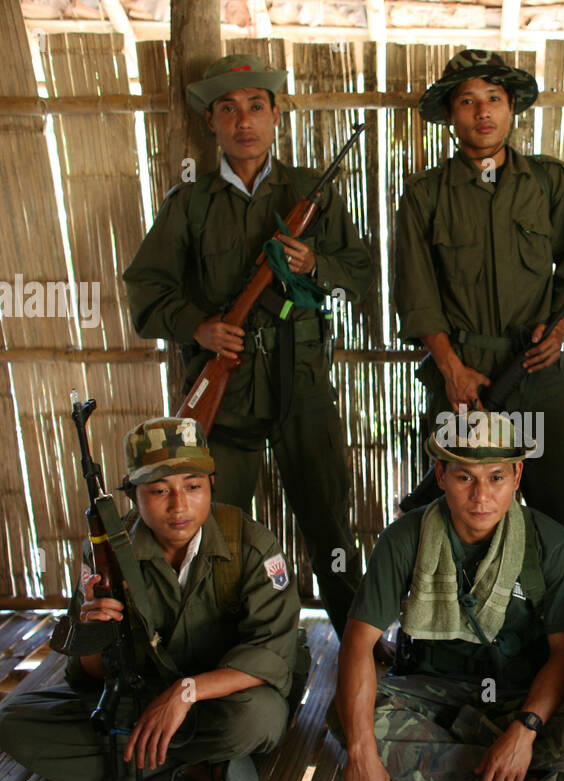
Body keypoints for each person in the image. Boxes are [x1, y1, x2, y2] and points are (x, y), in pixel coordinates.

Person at [123, 54, 371, 639]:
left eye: (256, 106)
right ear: (211, 122)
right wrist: (199, 328)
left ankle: (362, 645)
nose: (244, 121)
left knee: (330, 524)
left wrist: (318, 264)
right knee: (212, 526)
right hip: (226, 391)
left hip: (302, 384)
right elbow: (146, 294)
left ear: (275, 113)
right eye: (228, 110)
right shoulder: (190, 205)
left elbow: (359, 275)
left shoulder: (311, 192)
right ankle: (210, 648)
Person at [0, 417, 303, 781]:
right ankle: (196, 767)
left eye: (193, 486)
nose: (179, 505)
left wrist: (186, 692)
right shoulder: (107, 556)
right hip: (141, 697)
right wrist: (92, 633)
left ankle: (135, 762)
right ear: (133, 495)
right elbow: (89, 677)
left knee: (259, 718)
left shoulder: (252, 547)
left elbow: (272, 655)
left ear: (211, 487)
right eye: (158, 491)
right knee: (13, 724)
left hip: (218, 698)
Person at [394, 49, 564, 592]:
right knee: (457, 508)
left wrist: (558, 331)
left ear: (511, 110)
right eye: (468, 101)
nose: (482, 112)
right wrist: (451, 369)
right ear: (452, 115)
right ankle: (444, 632)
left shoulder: (550, 184)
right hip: (463, 375)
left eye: (494, 99)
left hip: (537, 370)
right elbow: (416, 295)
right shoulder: (424, 196)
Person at [334, 411, 564, 781]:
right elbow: (358, 643)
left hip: (518, 694)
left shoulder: (550, 542)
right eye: (464, 477)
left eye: (496, 477)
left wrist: (524, 730)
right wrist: (361, 753)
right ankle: (519, 780)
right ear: (440, 474)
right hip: (432, 689)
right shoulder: (403, 540)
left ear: (518, 475)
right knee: (346, 719)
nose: (481, 496)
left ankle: (457, 758)